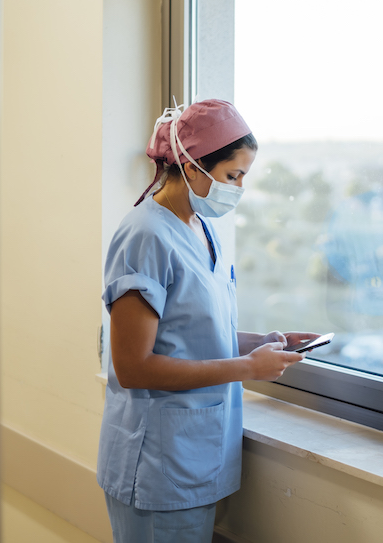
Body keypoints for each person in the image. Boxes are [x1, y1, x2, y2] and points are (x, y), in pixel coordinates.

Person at [97, 99, 319, 543]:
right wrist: (248, 369)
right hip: (157, 462)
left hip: (194, 453)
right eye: (232, 175)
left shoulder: (201, 227)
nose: (238, 188)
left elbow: (191, 332)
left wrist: (263, 342)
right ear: (193, 165)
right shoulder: (146, 235)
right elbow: (133, 366)